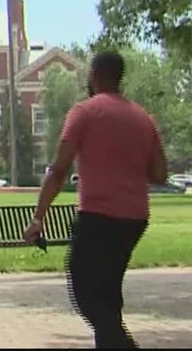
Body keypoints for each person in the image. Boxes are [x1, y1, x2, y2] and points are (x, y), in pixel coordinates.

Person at [24, 50, 168, 349]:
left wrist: (38, 218)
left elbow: (58, 169)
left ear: (94, 76)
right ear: (120, 77)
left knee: (84, 290)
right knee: (107, 293)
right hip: (134, 219)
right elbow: (160, 173)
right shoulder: (143, 118)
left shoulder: (85, 112)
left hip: (99, 216)